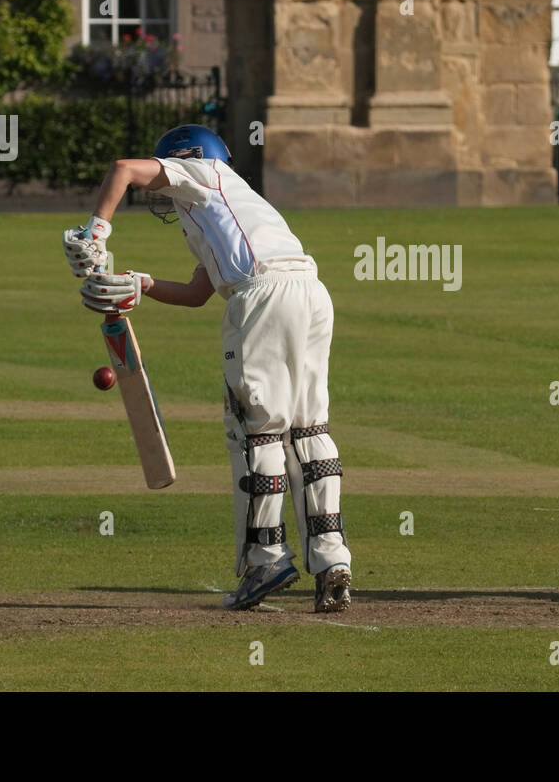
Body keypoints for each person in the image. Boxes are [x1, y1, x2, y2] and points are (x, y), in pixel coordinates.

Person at [61, 125, 352, 613]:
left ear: (186, 159)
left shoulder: (202, 171)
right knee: (308, 431)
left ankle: (267, 560)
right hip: (310, 293)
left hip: (261, 298)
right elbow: (198, 293)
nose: (161, 192)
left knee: (255, 432)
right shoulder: (233, 204)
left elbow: (124, 170)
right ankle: (332, 563)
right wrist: (141, 283)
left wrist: (95, 231)